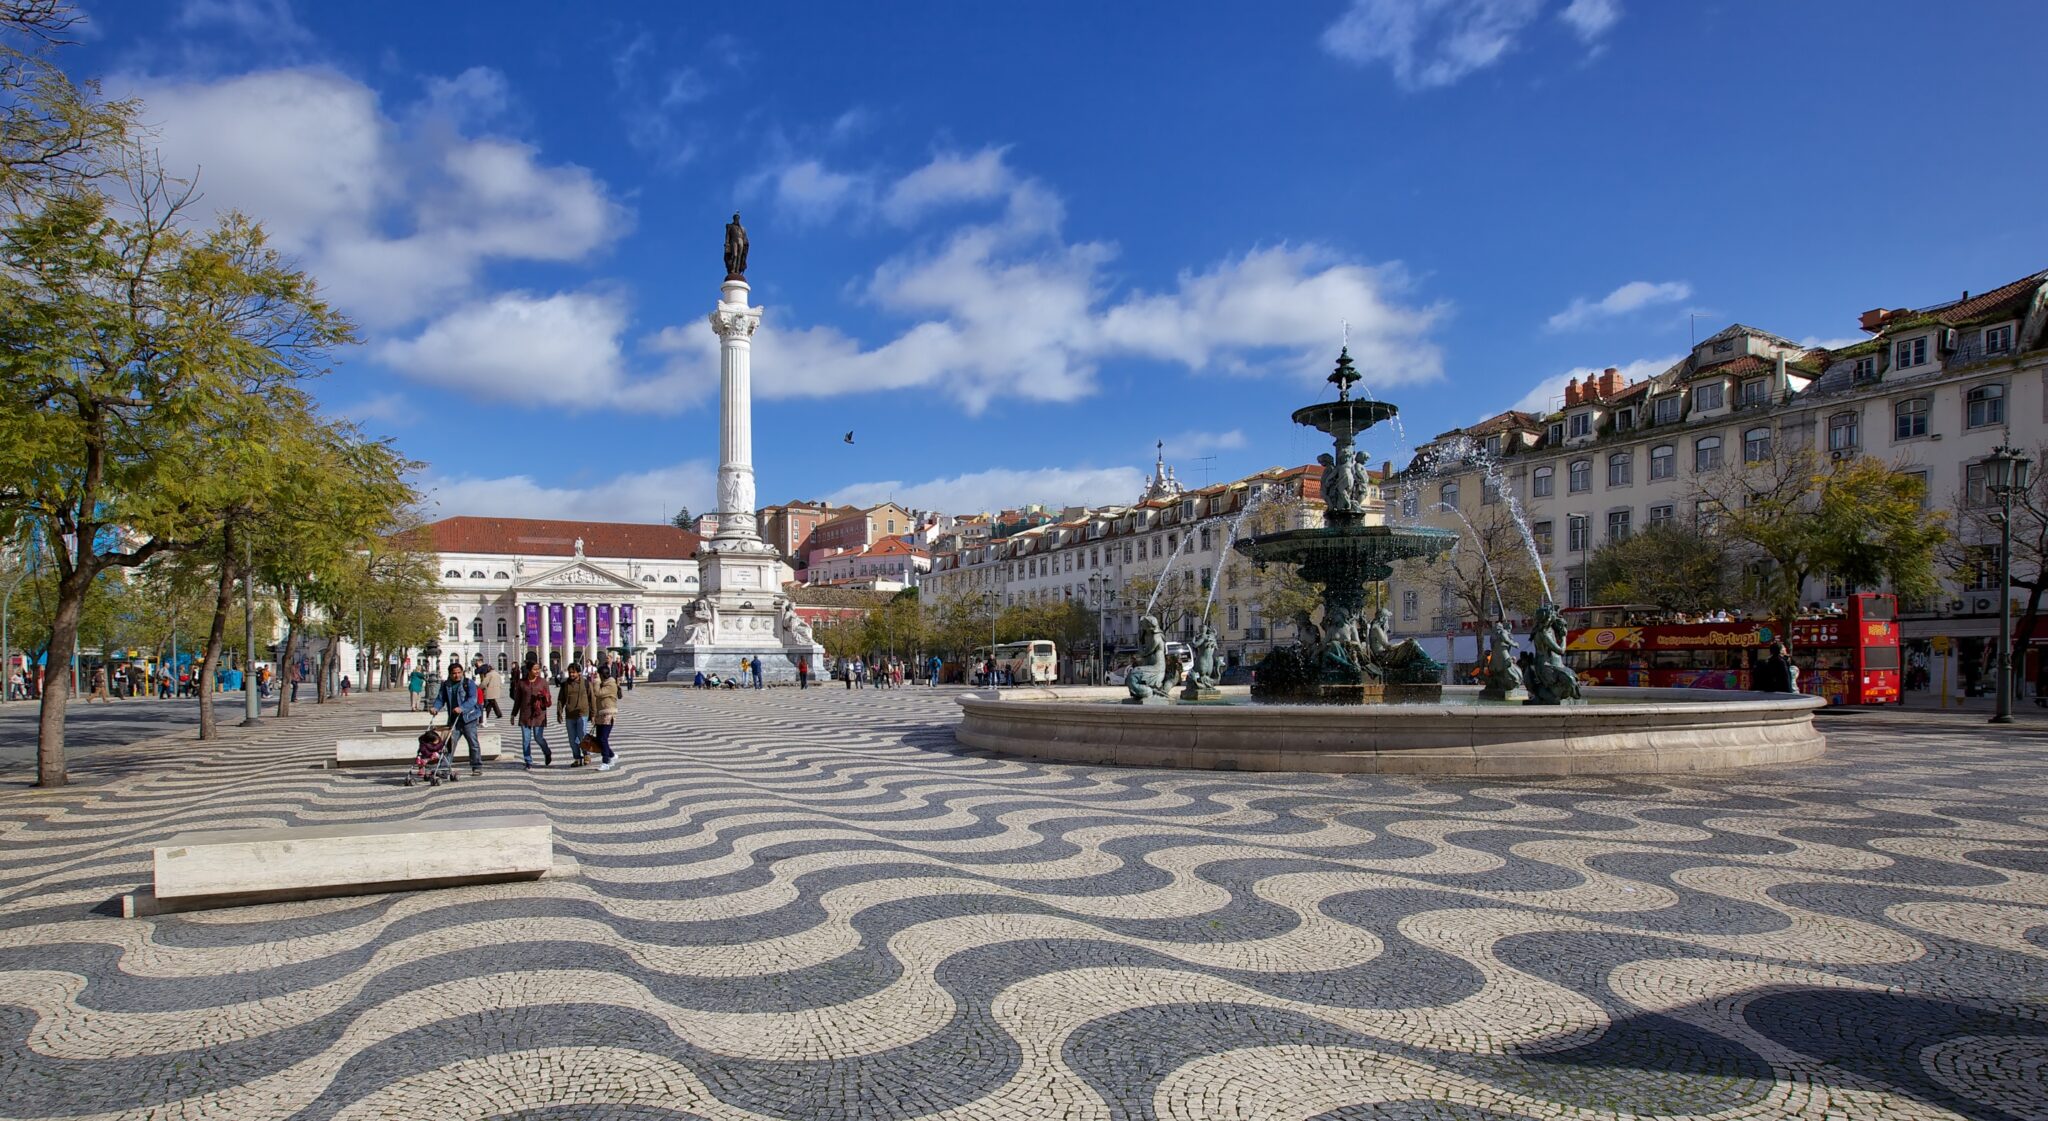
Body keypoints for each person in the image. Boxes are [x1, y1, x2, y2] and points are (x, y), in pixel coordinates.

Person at [429, 661, 487, 775]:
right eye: (454, 673)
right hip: (454, 719)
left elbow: (472, 699)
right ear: (450, 674)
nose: (457, 675)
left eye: (459, 672)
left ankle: (476, 766)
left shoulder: (468, 683)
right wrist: (435, 708)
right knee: (449, 744)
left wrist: (462, 708)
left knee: (473, 742)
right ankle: (444, 767)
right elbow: (441, 699)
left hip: (468, 718)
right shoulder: (446, 685)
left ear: (462, 672)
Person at [513, 662, 554, 769]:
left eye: (538, 669)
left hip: (539, 714)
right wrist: (513, 714)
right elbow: (517, 700)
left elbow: (549, 698)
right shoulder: (522, 683)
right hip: (525, 714)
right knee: (526, 739)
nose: (537, 671)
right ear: (529, 670)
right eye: (535, 669)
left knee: (538, 737)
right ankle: (528, 761)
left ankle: (547, 752)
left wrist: (544, 697)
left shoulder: (543, 682)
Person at [559, 663, 595, 766]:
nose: (571, 674)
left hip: (582, 713)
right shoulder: (565, 684)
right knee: (572, 739)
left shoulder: (586, 683)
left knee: (582, 735)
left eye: (573, 672)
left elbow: (592, 698)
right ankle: (577, 758)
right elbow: (561, 699)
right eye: (570, 672)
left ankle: (586, 754)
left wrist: (593, 714)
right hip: (570, 714)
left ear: (579, 672)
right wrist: (559, 712)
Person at [593, 664, 621, 771]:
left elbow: (597, 693)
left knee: (603, 738)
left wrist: (596, 681)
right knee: (599, 739)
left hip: (608, 714)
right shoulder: (604, 683)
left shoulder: (610, 685)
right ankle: (612, 756)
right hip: (601, 714)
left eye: (599, 674)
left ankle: (605, 762)